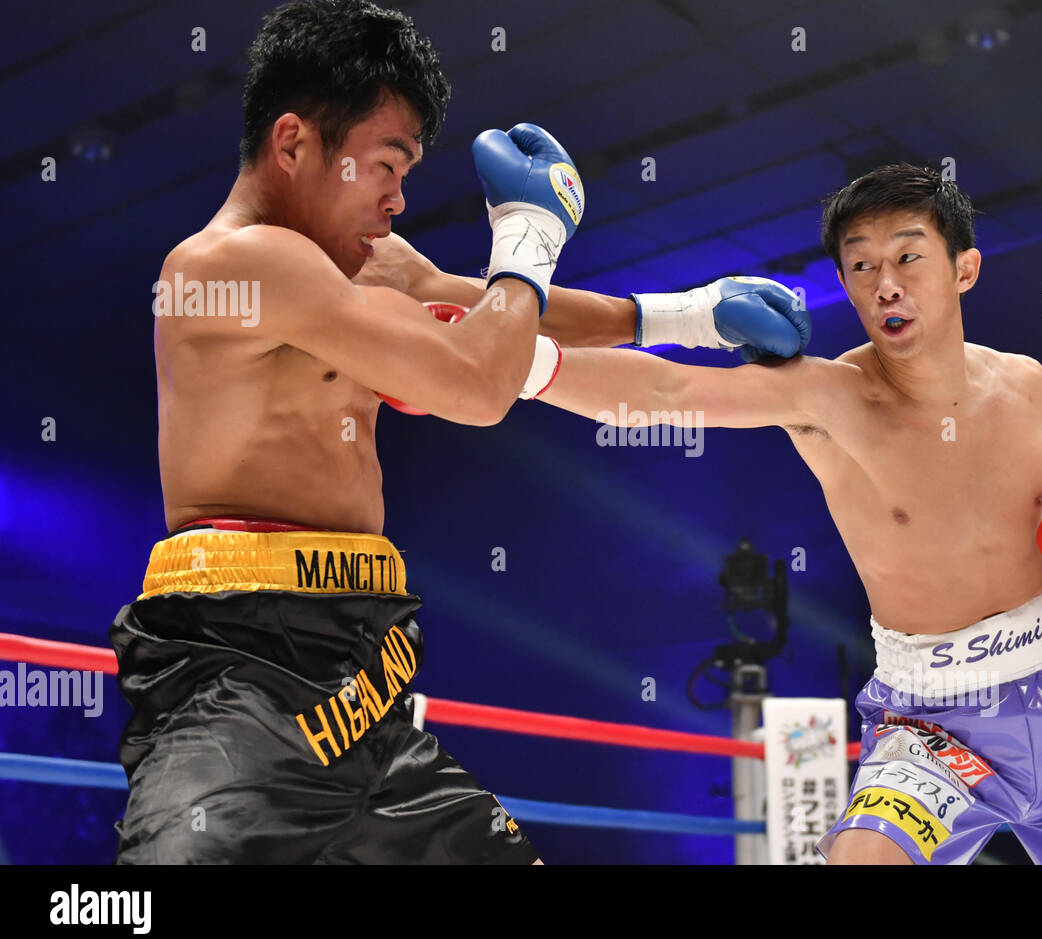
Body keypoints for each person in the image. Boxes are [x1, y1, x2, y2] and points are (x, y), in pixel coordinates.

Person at [109, 0, 807, 864]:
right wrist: (530, 232)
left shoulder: (367, 266)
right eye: (386, 166)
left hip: (362, 674)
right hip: (243, 675)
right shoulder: (230, 264)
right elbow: (481, 385)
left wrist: (688, 315)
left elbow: (499, 321)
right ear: (293, 145)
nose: (399, 199)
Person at [533, 163, 1042, 865]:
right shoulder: (828, 397)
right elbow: (663, 393)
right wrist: (525, 369)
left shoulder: (1023, 382)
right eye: (861, 267)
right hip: (933, 721)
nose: (886, 284)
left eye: (908, 256)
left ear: (964, 269)